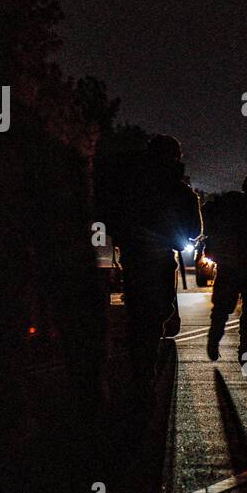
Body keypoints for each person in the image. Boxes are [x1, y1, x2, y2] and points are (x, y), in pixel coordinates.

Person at [98, 132, 202, 396]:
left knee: (138, 315)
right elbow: (193, 228)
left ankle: (140, 372)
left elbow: (110, 216)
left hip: (134, 257)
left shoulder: (130, 185)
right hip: (160, 258)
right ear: (176, 157)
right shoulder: (179, 191)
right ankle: (144, 371)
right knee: (156, 313)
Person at [203, 174, 247, 362]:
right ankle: (245, 348)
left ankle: (215, 338)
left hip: (227, 264)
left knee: (222, 306)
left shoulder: (229, 204)